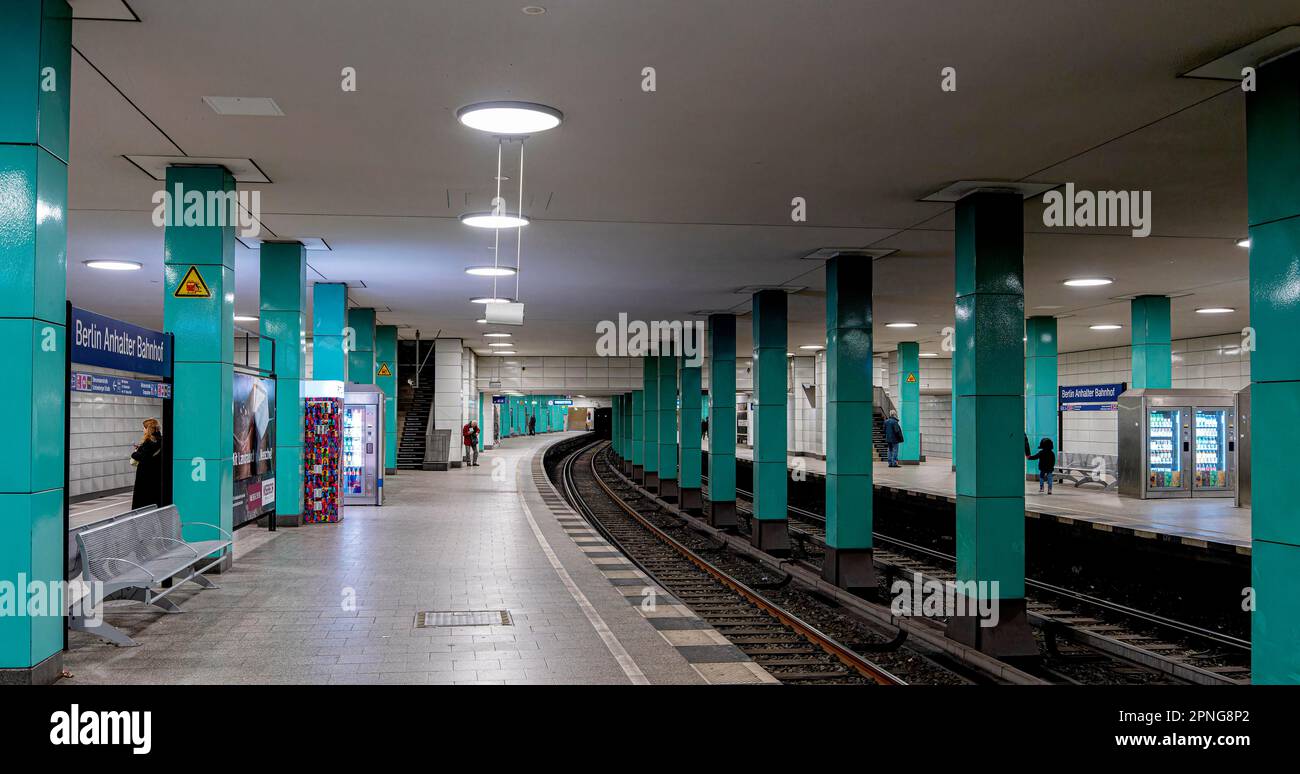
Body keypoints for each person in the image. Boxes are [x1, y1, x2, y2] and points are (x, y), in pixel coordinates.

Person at [130, 418, 164, 508]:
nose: (143, 430)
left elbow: (144, 457)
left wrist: (134, 453)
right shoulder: (161, 440)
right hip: (157, 474)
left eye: (144, 428)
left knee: (143, 501)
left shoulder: (148, 442)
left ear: (148, 429)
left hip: (146, 476)